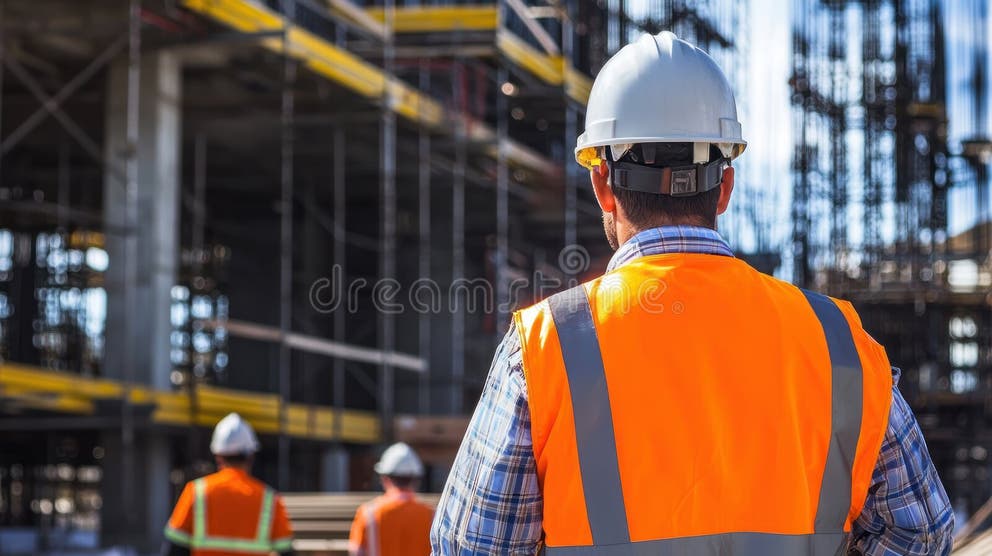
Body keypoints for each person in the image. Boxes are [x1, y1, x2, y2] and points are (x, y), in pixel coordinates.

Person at [431, 31, 954, 555]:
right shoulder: (839, 343)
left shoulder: (546, 347)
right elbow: (923, 531)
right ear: (724, 188)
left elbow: (472, 547)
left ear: (604, 188)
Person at [162, 413, 294, 556]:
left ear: (218, 456)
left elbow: (174, 549)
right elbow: (286, 551)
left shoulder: (197, 491)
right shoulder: (269, 499)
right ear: (251, 456)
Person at [349, 442, 434, 556]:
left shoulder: (368, 513)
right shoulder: (432, 515)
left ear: (385, 479)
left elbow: (357, 552)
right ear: (415, 480)